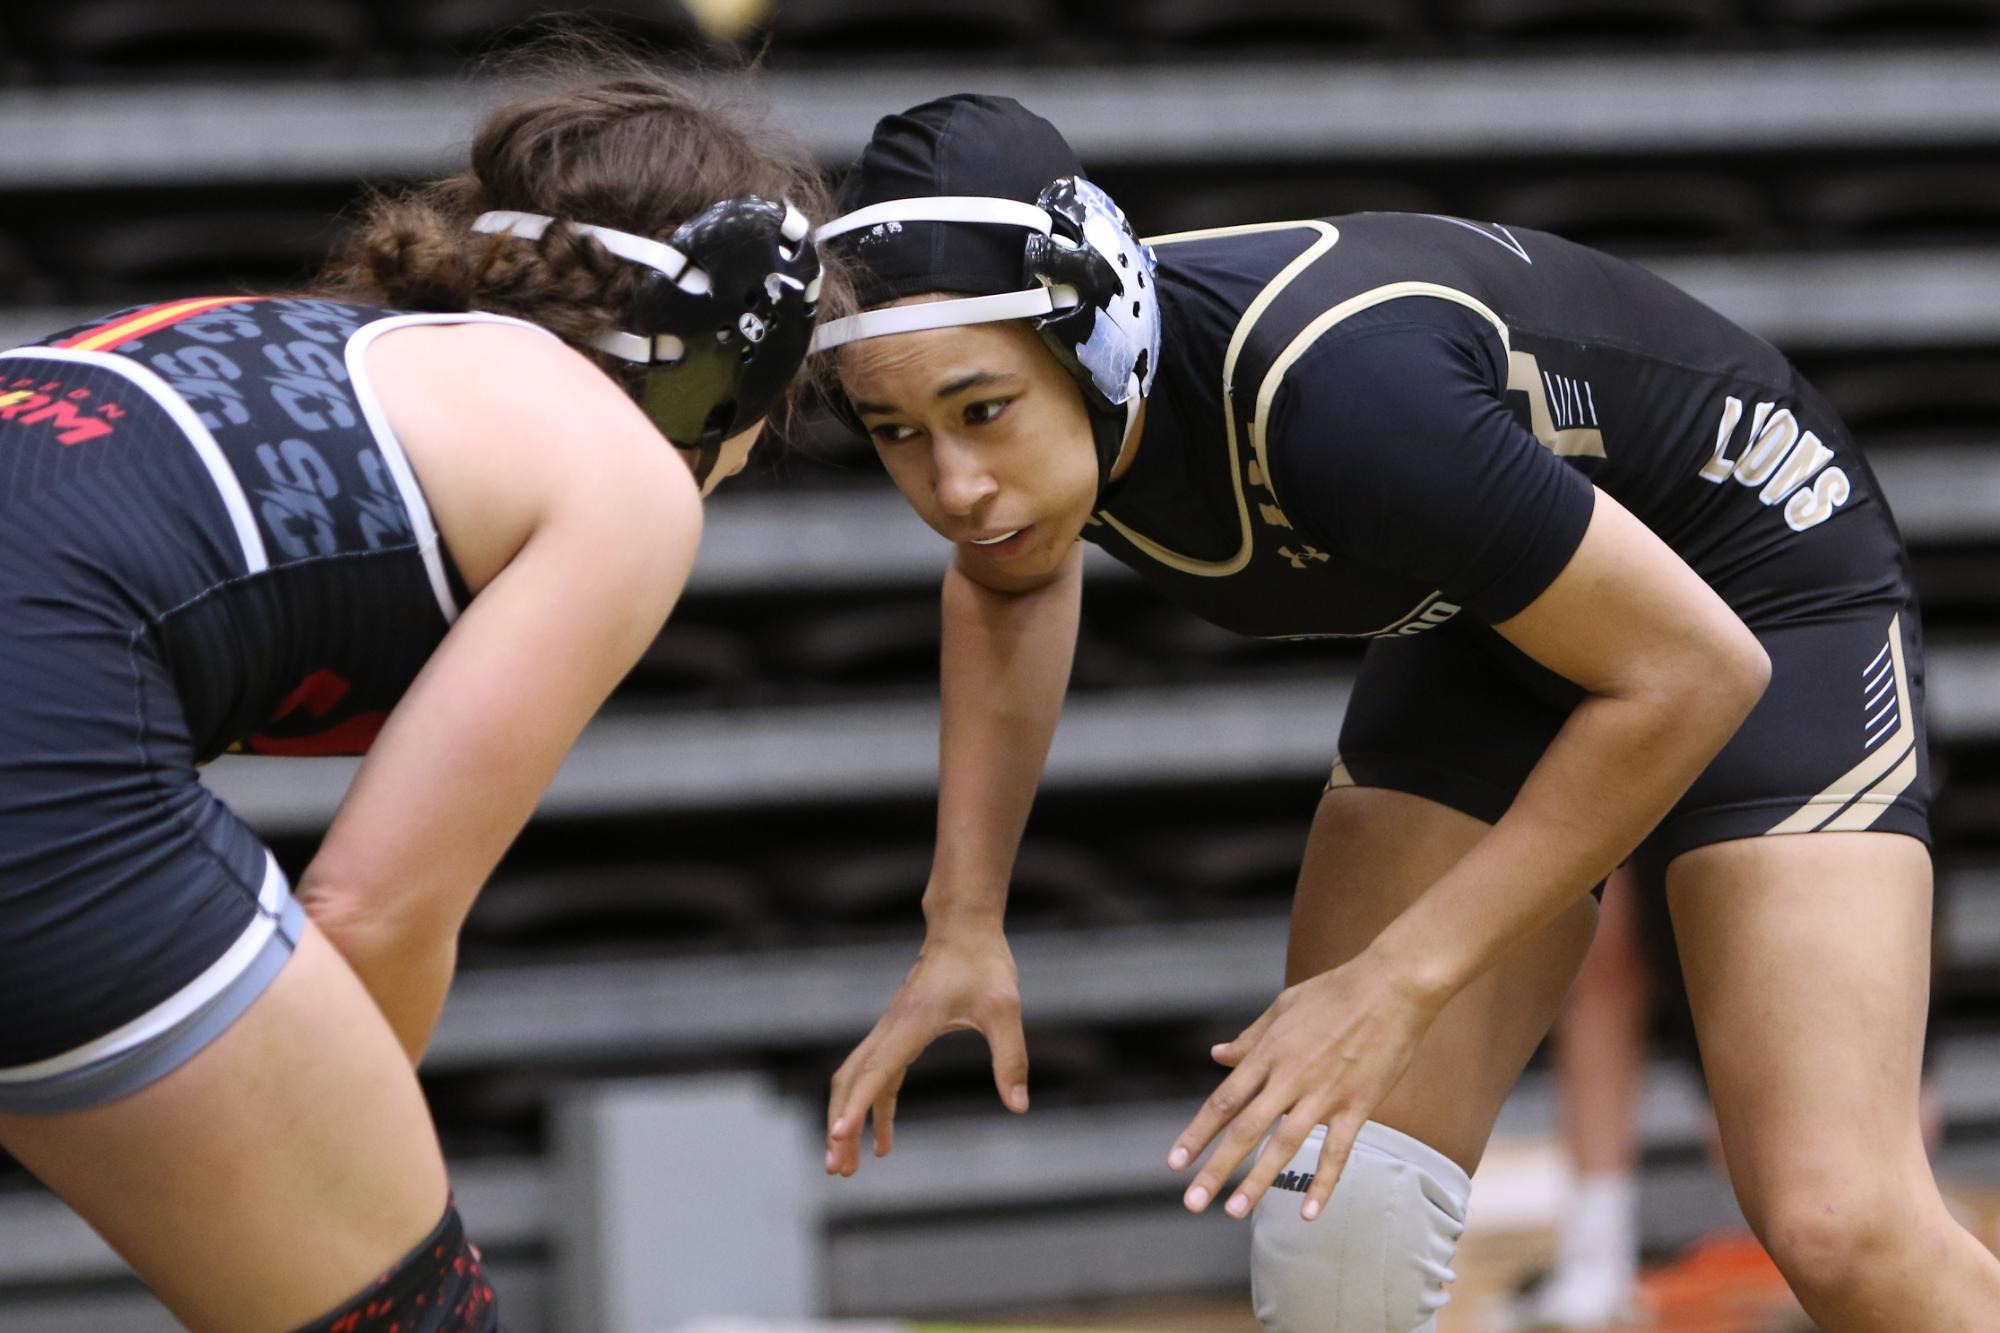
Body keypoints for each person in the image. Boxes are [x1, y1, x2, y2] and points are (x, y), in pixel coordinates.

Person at [811, 93, 1998, 1333]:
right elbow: (1007, 583)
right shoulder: (1042, 440)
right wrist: (962, 919)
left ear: (1102, 333)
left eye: (981, 411)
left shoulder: (1341, 401)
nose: (953, 484)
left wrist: (1397, 979)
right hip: (1499, 604)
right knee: (1339, 1196)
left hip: (1747, 584)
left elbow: (1692, 673)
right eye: (897, 433)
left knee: (1837, 1218)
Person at [0, 54, 830, 1333]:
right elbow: (375, 907)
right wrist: (310, 1161)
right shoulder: (622, 475)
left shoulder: (278, 336)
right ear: (735, 367)